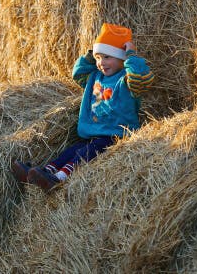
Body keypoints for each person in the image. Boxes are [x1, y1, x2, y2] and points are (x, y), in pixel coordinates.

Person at [11, 23, 154, 193]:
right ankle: (41, 173)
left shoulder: (126, 80)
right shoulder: (95, 76)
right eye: (98, 57)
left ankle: (59, 179)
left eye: (107, 57)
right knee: (70, 152)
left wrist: (131, 54)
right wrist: (92, 53)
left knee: (85, 153)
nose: (101, 62)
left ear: (122, 58)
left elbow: (142, 77)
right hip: (93, 133)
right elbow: (78, 73)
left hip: (115, 135)